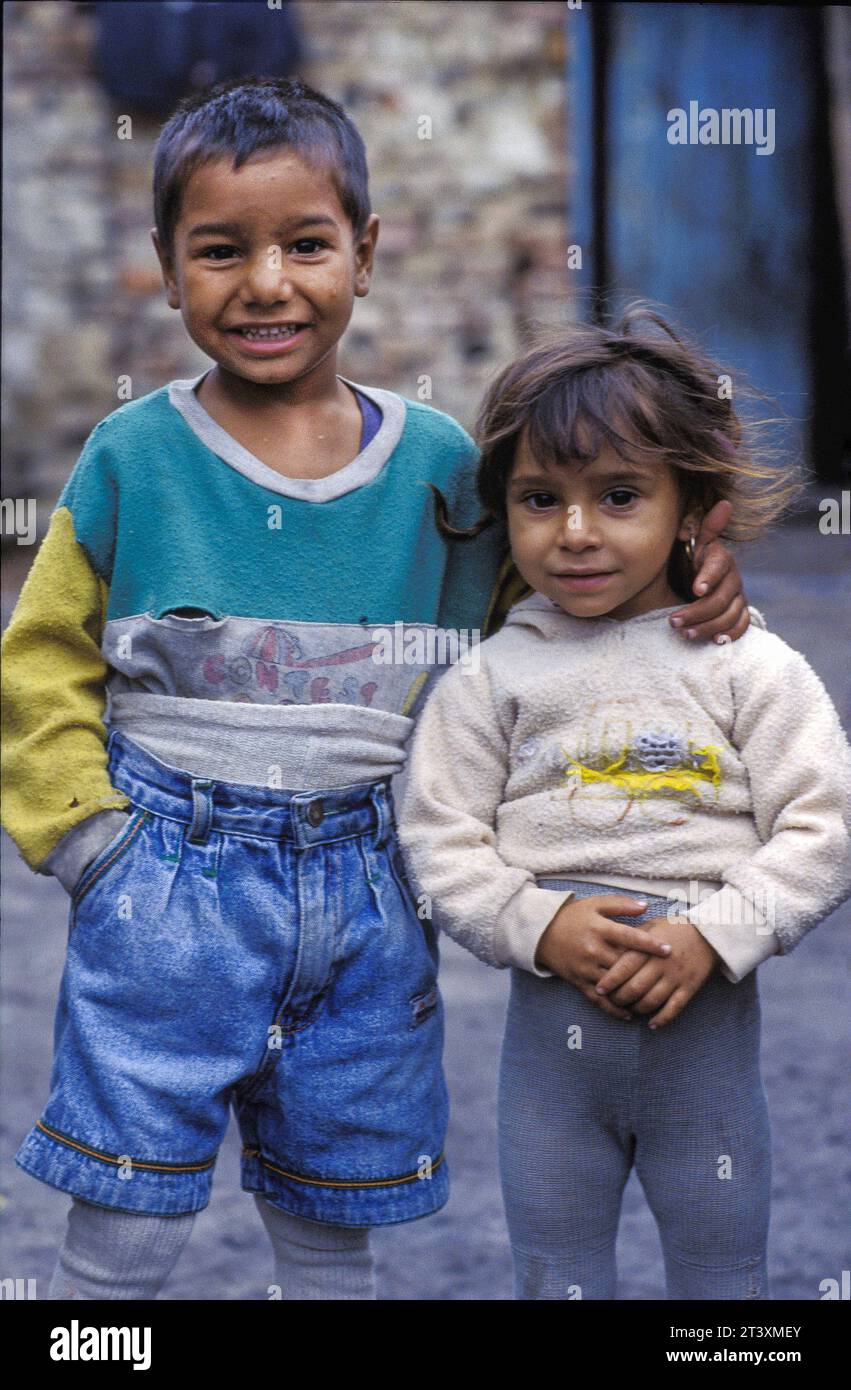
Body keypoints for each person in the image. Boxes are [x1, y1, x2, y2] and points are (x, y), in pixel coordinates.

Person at [1, 76, 750, 1302]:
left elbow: (556, 599)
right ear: (166, 265)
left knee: (328, 1204)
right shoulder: (133, 454)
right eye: (219, 250)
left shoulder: (442, 470)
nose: (266, 282)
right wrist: (89, 840)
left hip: (363, 885)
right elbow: (41, 655)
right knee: (122, 1197)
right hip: (164, 886)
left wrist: (688, 573)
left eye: (305, 243)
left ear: (365, 252)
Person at [397, 305, 851, 1301]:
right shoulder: (492, 680)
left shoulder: (746, 668)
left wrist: (716, 932)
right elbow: (437, 831)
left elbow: (824, 825)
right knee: (554, 1273)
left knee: (722, 1273)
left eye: (617, 496)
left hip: (707, 1045)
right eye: (536, 497)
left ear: (691, 507)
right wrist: (535, 922)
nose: (573, 532)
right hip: (550, 1062)